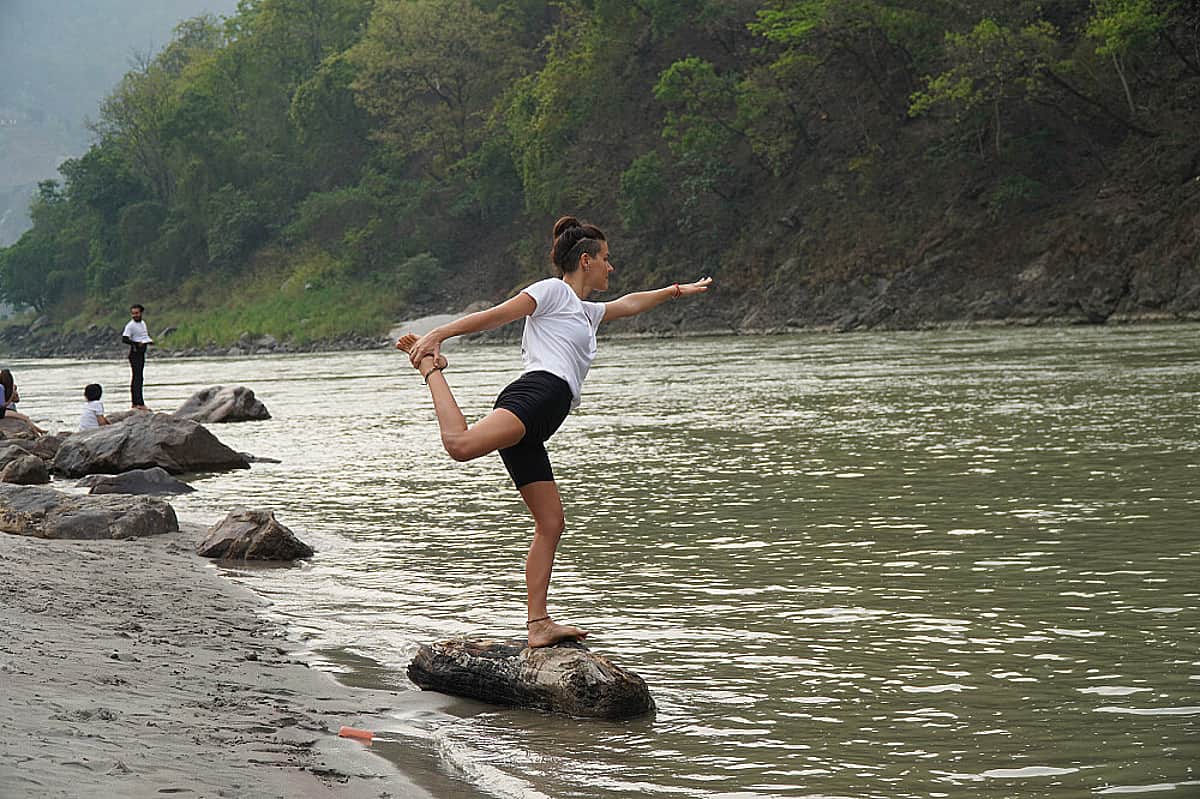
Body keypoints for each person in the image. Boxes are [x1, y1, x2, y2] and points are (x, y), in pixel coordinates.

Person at [397, 216, 712, 648]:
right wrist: (439, 335)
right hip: (537, 395)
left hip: (543, 416)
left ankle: (538, 624)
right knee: (461, 445)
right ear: (586, 260)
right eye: (606, 259)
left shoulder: (586, 311)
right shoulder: (552, 291)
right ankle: (430, 368)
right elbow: (496, 315)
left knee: (551, 522)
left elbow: (632, 303)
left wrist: (677, 290)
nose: (611, 267)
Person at [121, 303, 153, 409]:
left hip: (141, 353)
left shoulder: (143, 323)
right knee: (136, 378)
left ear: (141, 313)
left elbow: (144, 336)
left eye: (137, 313)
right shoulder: (130, 325)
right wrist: (135, 343)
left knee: (140, 377)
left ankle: (138, 402)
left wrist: (148, 342)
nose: (135, 315)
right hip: (135, 354)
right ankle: (137, 403)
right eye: (133, 313)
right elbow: (124, 339)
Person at [0, 368, 47, 434]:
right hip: (5, 411)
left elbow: (17, 400)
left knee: (25, 418)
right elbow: (3, 405)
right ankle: (38, 433)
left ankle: (39, 431)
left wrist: (13, 392)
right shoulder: (3, 388)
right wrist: (12, 394)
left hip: (6, 410)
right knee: (25, 418)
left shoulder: (8, 388)